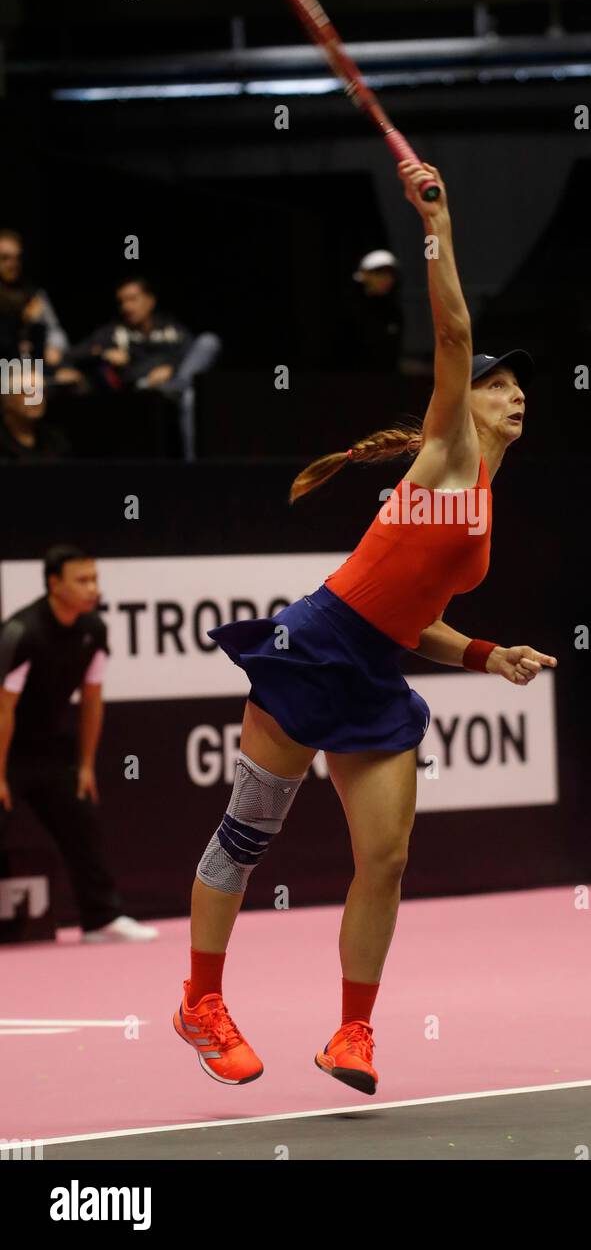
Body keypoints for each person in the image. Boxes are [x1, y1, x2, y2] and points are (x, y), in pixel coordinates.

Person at [173, 159, 557, 1094]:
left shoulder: (484, 508)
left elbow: (414, 618)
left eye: (519, 387)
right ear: (461, 405)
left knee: (384, 859)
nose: (511, 394)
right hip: (315, 649)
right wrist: (439, 224)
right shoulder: (449, 453)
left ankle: (354, 1034)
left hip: (375, 672)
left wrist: (481, 651)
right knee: (246, 838)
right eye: (497, 383)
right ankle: (200, 1002)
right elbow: (456, 328)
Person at [0, 546, 158, 942]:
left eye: (95, 579)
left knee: (80, 816)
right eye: (82, 580)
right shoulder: (22, 634)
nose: (93, 588)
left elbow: (91, 698)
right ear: (54, 585)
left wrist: (86, 765)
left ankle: (101, 918)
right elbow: (3, 709)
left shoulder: (94, 630)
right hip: (5, 750)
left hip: (48, 750)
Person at [58, 277, 222, 459]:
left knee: (208, 342)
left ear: (150, 301)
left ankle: (176, 388)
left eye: (132, 299)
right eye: (122, 302)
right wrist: (104, 354)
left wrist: (171, 368)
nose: (126, 307)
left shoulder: (169, 327)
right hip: (142, 389)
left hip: (173, 383)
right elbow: (70, 354)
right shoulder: (114, 332)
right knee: (189, 395)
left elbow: (192, 355)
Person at [0, 228, 69, 368]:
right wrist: (23, 320)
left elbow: (55, 331)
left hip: (31, 366)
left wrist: (54, 347)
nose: (13, 264)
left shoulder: (33, 294)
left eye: (17, 258)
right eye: (5, 258)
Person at [340, 249, 405, 373]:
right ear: (364, 274)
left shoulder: (394, 312)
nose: (386, 278)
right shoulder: (348, 311)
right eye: (379, 272)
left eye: (390, 273)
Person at [0, 388, 70, 461]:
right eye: (27, 391)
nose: (37, 398)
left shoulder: (57, 441)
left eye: (41, 391)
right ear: (6, 398)